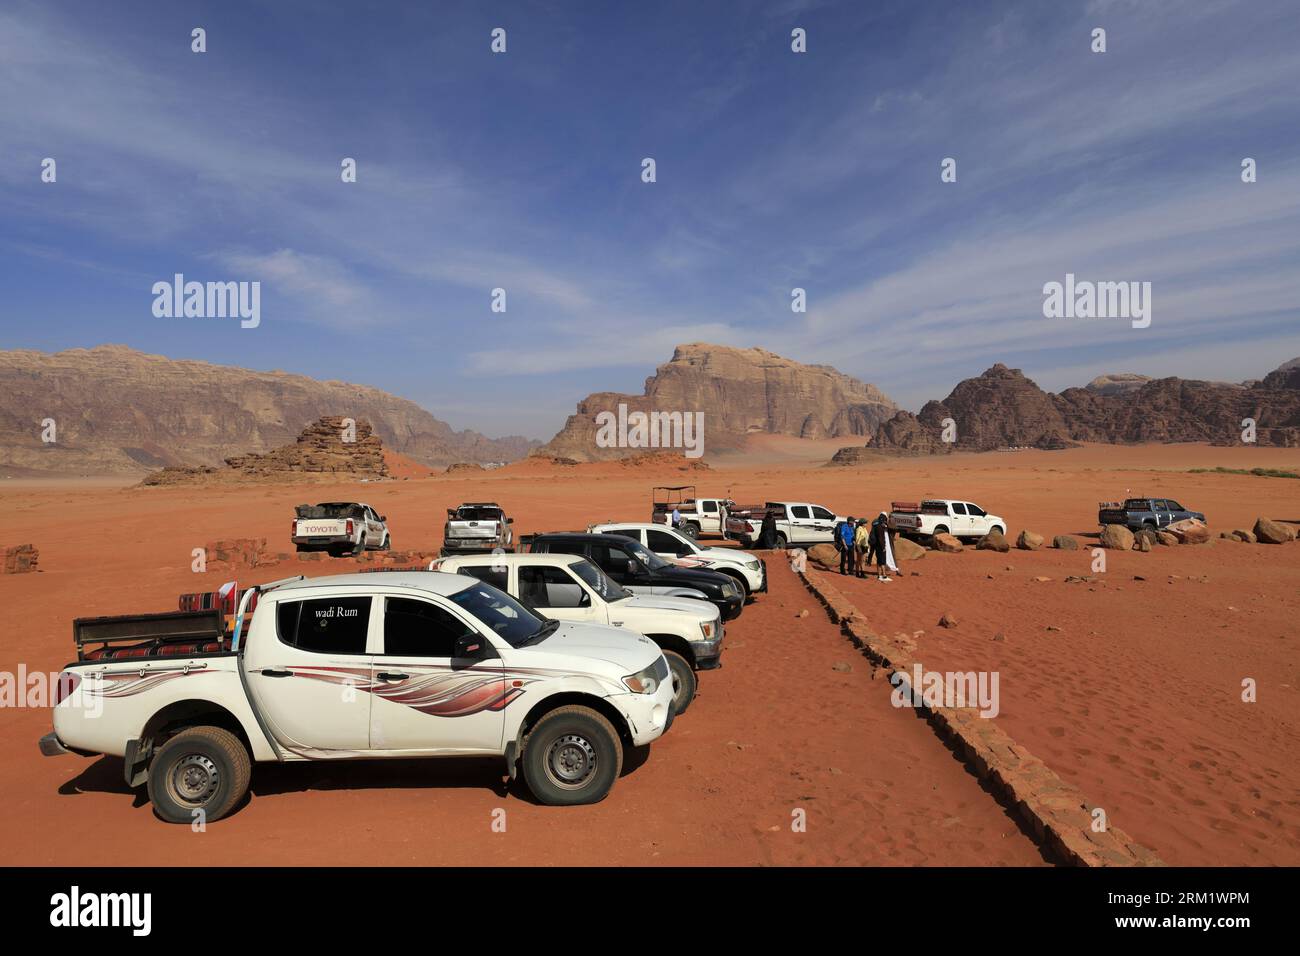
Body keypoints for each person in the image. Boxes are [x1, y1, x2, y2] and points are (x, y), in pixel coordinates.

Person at [868, 511, 899, 582]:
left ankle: (879, 576)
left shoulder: (875, 523)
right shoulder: (880, 526)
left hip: (875, 545)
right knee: (882, 561)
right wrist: (883, 547)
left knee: (879, 561)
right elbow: (880, 538)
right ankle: (884, 576)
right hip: (880, 546)